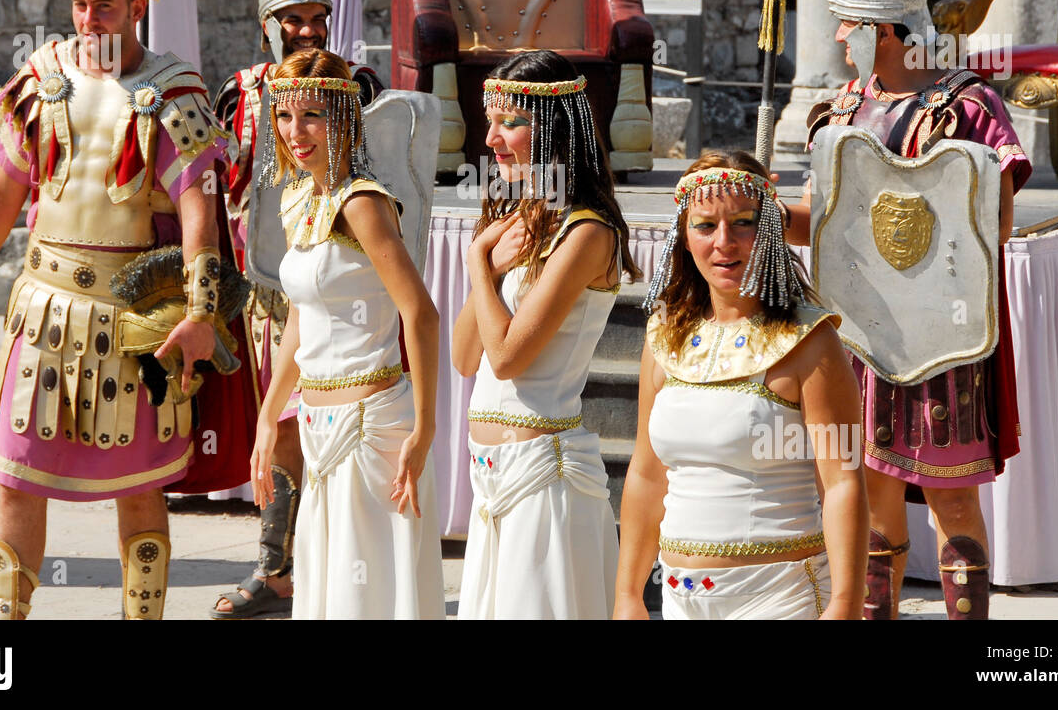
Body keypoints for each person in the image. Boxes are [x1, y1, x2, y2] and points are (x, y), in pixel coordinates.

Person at [0, 0, 229, 619]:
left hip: (128, 317)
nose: (88, 19)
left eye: (103, 7)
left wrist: (201, 311)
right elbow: (4, 191)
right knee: (16, 480)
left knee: (140, 488)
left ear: (137, 8)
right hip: (41, 311)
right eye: (78, 5)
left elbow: (200, 217)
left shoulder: (174, 90)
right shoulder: (41, 77)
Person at [788, 0, 1031, 619]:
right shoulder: (841, 111)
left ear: (887, 32)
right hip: (861, 337)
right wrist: (765, 216)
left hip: (942, 345)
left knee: (952, 499)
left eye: (849, 25)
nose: (839, 39)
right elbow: (830, 227)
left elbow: (996, 226)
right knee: (870, 494)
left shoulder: (969, 106)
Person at [613, 151, 868, 620]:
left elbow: (842, 482)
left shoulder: (812, 342)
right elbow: (647, 475)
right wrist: (628, 595)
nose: (724, 243)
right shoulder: (663, 336)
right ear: (684, 237)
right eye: (706, 226)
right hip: (678, 599)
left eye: (744, 223)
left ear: (770, 231)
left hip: (780, 598)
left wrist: (847, 603)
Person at [210, 0, 383, 618]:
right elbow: (225, 184)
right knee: (279, 426)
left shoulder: (357, 86)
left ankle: (335, 567)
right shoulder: (241, 91)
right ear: (267, 23)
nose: (308, 29)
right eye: (293, 18)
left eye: (318, 17)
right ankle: (276, 569)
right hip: (272, 284)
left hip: (340, 281)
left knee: (332, 424)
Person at [248, 48, 444, 619]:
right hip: (318, 423)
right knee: (327, 588)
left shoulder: (363, 203)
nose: (295, 132)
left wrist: (425, 428)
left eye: (311, 115)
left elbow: (421, 314)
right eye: (285, 117)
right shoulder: (298, 198)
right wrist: (268, 414)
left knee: (367, 594)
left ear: (344, 117)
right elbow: (301, 318)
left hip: (373, 425)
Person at [451, 49, 640, 619]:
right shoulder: (513, 222)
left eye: (511, 122)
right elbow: (466, 357)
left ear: (554, 129)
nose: (491, 140)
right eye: (491, 121)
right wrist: (489, 258)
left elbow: (507, 358)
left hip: (544, 478)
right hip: (492, 481)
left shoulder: (587, 234)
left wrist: (479, 263)